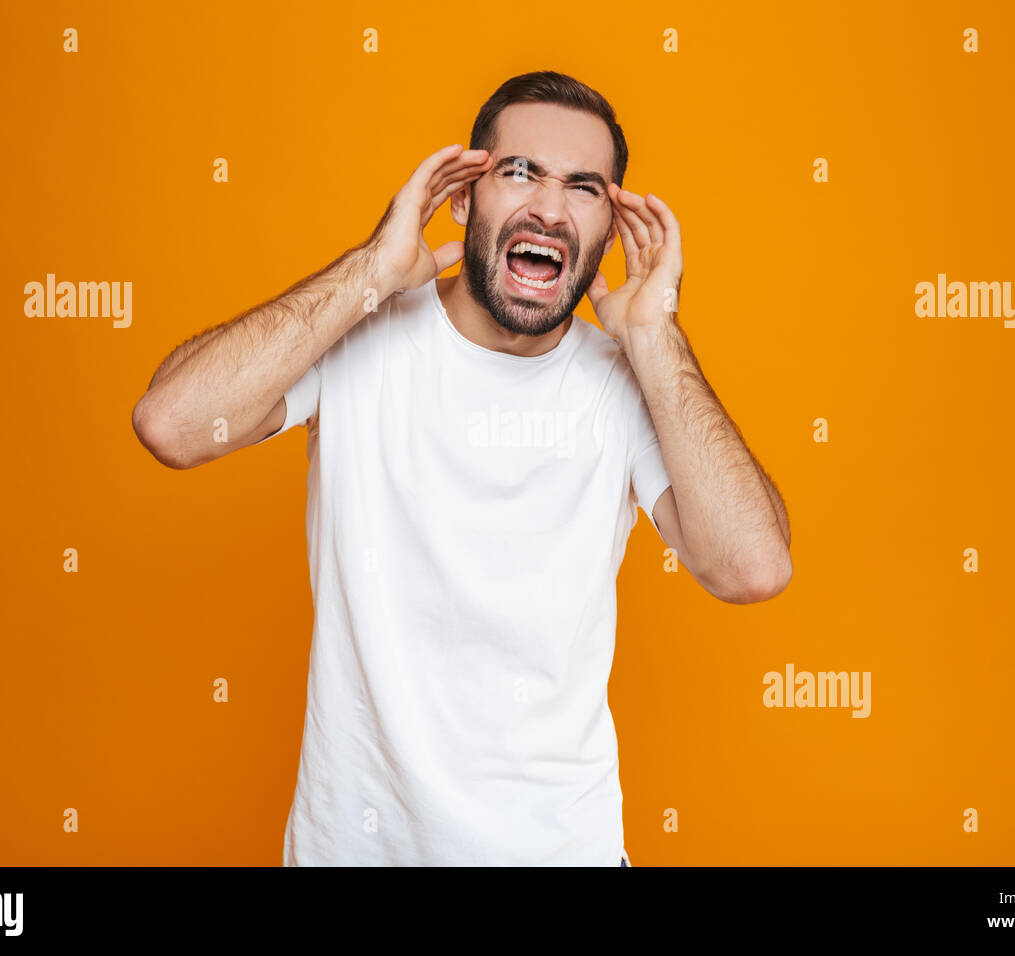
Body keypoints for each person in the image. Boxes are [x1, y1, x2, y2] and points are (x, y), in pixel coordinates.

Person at [131, 71, 792, 866]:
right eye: (519, 172)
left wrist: (656, 335)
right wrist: (371, 271)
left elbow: (751, 567)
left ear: (610, 229)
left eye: (583, 187)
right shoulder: (360, 336)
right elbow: (170, 425)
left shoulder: (628, 383)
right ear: (461, 198)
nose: (548, 208)